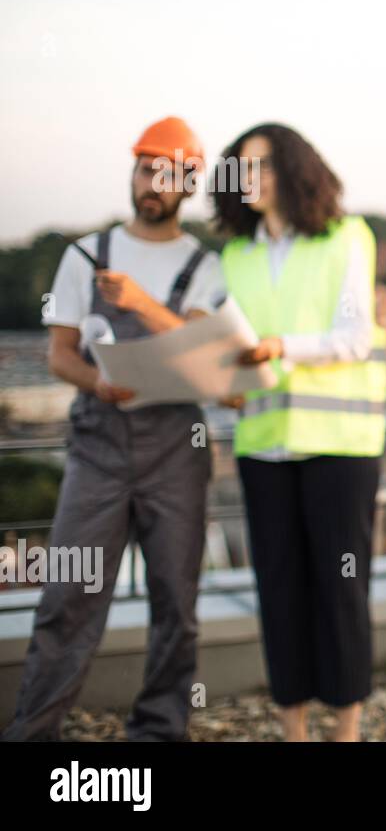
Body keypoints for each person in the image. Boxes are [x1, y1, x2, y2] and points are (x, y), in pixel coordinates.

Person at [3, 117, 225, 741]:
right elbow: (59, 355)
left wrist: (144, 308)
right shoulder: (83, 255)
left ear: (188, 183)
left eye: (166, 172)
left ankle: (159, 730)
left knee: (176, 605)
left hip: (177, 449)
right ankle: (33, 732)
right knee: (68, 597)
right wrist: (98, 383)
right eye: (144, 168)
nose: (152, 182)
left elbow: (207, 358)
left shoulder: (205, 267)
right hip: (98, 446)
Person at [212, 123, 386, 742]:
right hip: (263, 446)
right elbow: (230, 347)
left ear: (294, 169)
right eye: (240, 168)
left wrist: (281, 346)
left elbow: (356, 337)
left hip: (339, 447)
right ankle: (293, 730)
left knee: (340, 590)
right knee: (278, 589)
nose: (249, 179)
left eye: (261, 165)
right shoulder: (235, 255)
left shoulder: (346, 237)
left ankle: (344, 730)